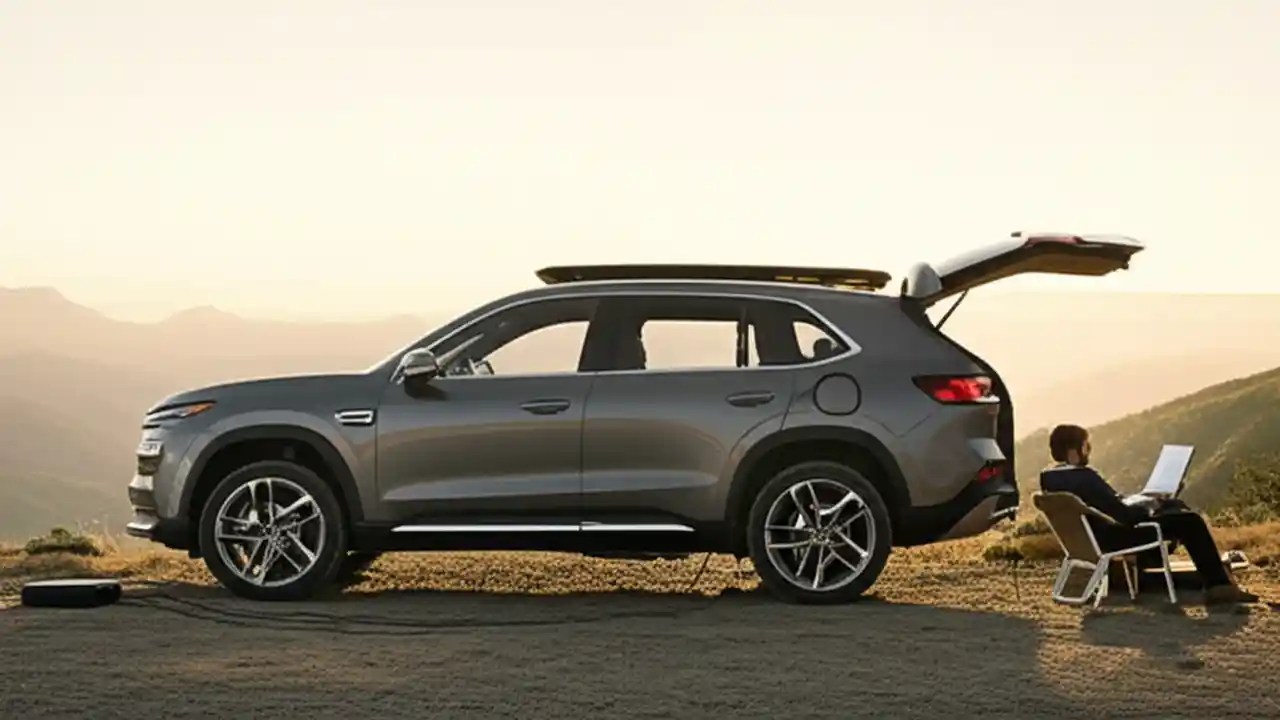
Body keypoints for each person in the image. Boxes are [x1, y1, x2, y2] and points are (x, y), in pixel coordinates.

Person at [1039, 424, 1258, 605]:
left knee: (1172, 507)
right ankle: (1218, 586)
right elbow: (1127, 517)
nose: (1089, 450)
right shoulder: (1084, 477)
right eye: (1086, 445)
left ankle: (1169, 570)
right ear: (1074, 451)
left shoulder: (1050, 478)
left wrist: (1144, 499)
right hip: (1114, 538)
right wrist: (1152, 504)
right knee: (1189, 521)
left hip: (1093, 538)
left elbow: (1108, 504)